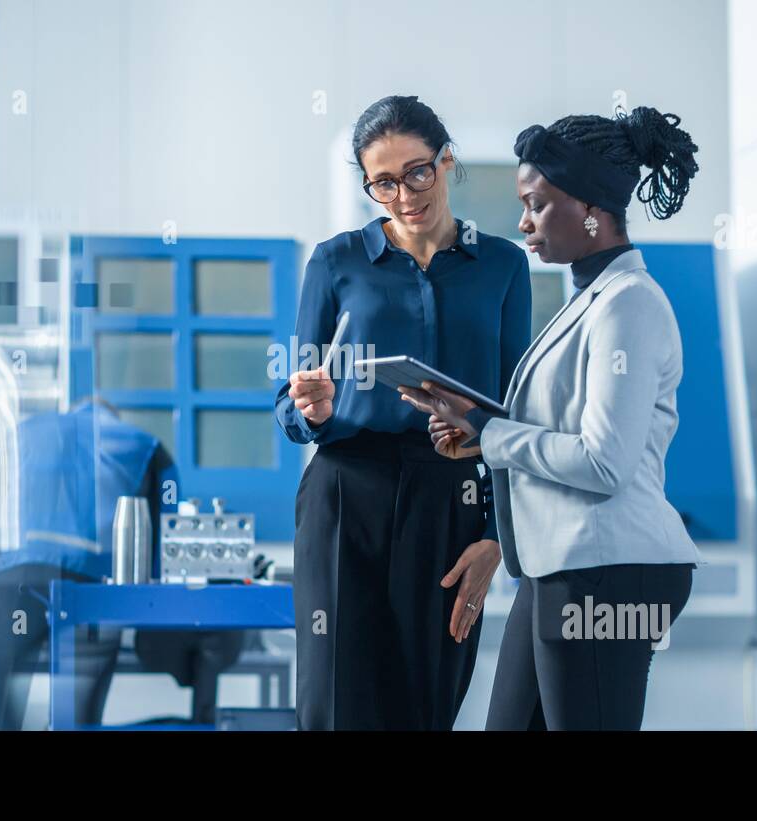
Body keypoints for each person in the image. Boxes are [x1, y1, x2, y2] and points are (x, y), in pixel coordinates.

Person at [398, 107, 701, 730]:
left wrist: (491, 433)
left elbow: (603, 462)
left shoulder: (629, 306)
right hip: (557, 564)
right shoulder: (588, 300)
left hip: (610, 571)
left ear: (589, 206)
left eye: (536, 203)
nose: (523, 221)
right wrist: (480, 434)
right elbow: (559, 434)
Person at [277, 95, 531, 730]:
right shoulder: (334, 261)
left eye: (417, 172)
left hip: (451, 496)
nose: (403, 195)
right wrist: (313, 409)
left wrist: (498, 539)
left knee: (427, 702)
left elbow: (517, 414)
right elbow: (288, 402)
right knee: (334, 702)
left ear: (447, 162)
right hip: (345, 492)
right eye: (382, 183)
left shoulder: (502, 264)